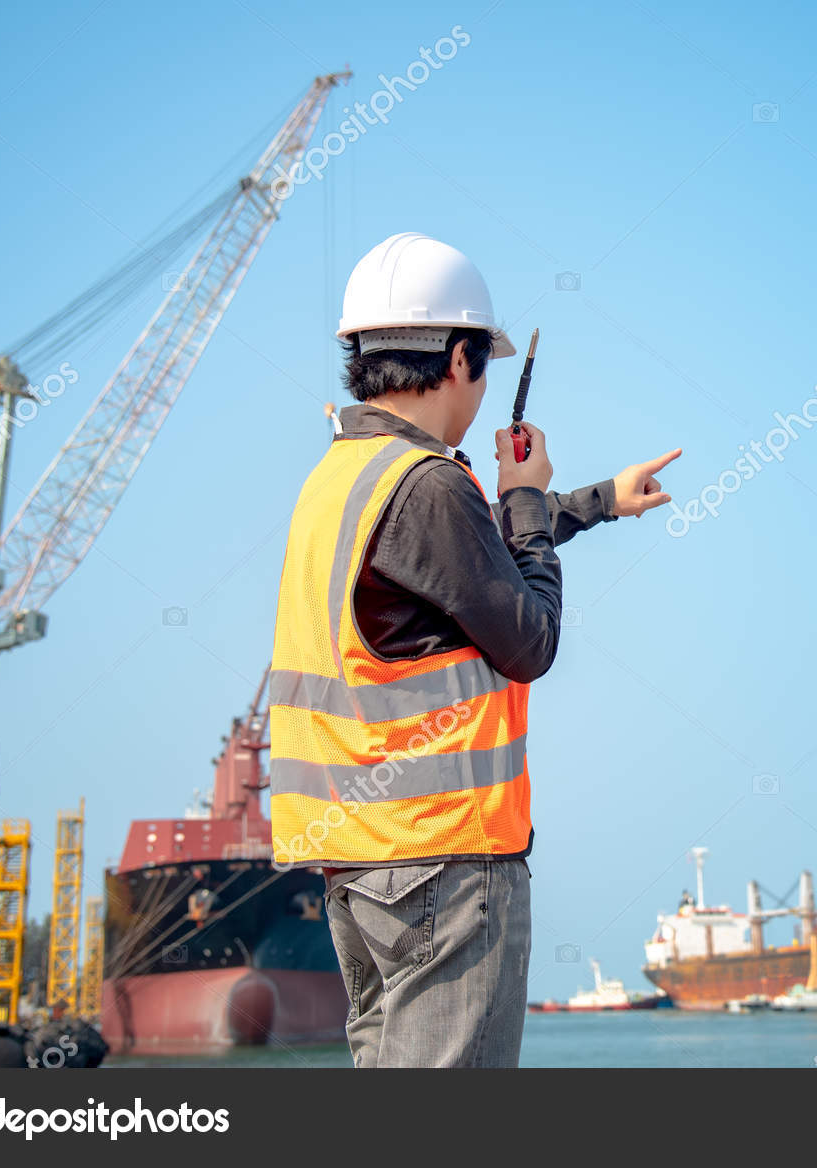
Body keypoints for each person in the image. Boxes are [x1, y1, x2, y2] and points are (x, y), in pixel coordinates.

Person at [268, 233, 679, 1066]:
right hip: (445, 860)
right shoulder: (426, 482)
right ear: (459, 358)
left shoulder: (343, 477)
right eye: (482, 367)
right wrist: (525, 501)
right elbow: (528, 639)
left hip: (360, 867)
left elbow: (456, 564)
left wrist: (593, 501)